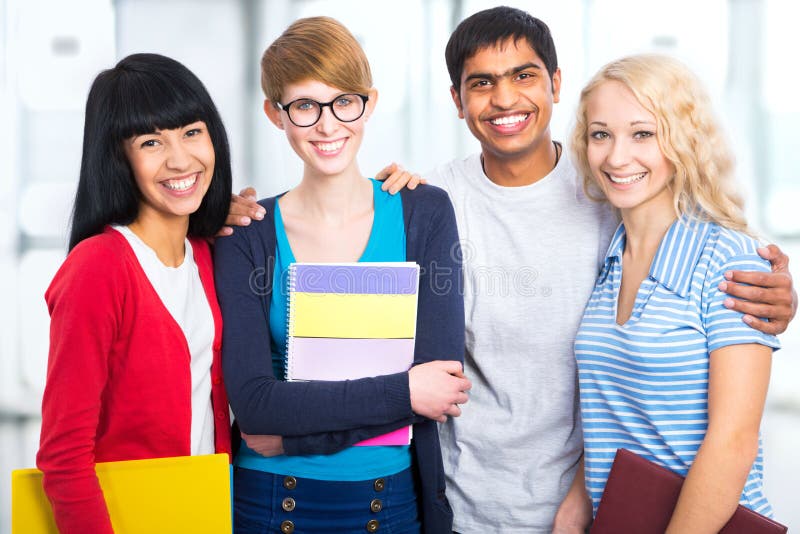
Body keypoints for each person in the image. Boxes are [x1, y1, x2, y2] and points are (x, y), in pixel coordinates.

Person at [227, 7, 797, 532]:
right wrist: (220, 216)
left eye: (523, 76)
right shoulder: (430, 200)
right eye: (481, 83)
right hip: (461, 502)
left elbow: (693, 234)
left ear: (555, 83)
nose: (504, 99)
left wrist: (772, 289)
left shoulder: (610, 192)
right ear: (456, 100)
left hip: (587, 509)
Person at [213, 17, 470, 533]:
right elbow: (257, 406)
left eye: (344, 102)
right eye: (305, 106)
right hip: (269, 504)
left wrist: (295, 436)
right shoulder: (247, 234)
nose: (328, 126)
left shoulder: (423, 212)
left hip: (391, 503)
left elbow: (439, 388)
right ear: (275, 114)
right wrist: (402, 392)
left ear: (369, 102)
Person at [570, 53, 781, 531]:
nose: (617, 156)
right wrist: (576, 502)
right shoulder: (608, 256)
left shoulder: (730, 259)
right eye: (601, 134)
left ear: (682, 141)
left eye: (643, 133)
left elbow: (733, 440)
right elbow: (616, 413)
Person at [36, 53, 234, 534]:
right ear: (118, 156)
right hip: (128, 518)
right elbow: (63, 454)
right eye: (151, 142)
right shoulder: (99, 267)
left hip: (205, 509)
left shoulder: (207, 255)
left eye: (192, 131)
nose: (180, 159)